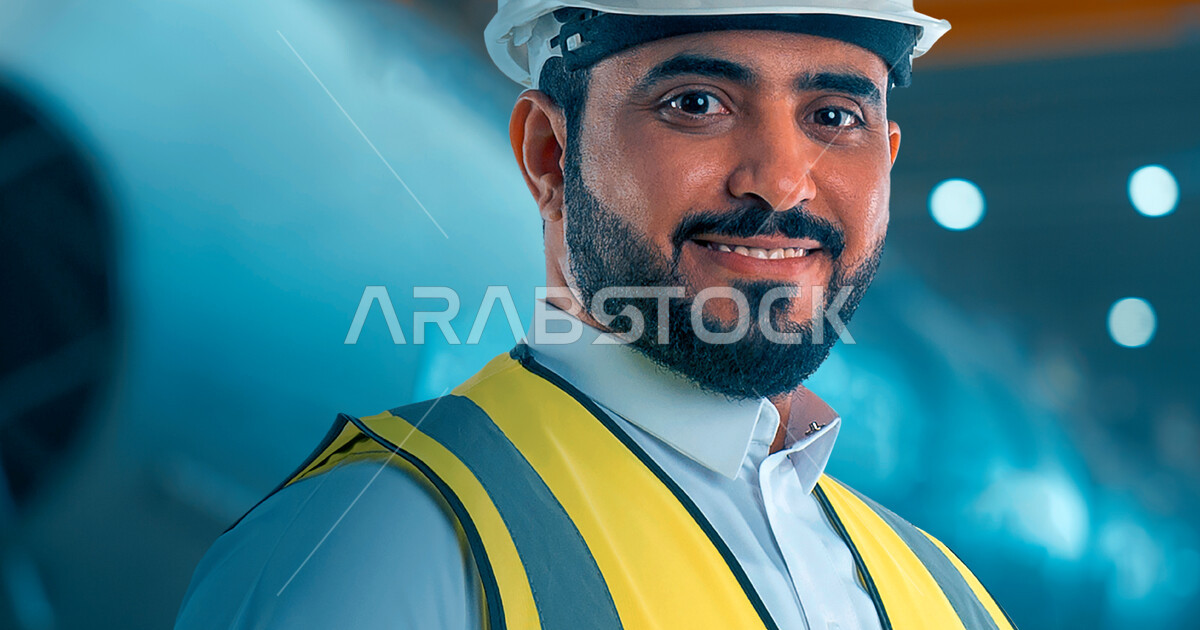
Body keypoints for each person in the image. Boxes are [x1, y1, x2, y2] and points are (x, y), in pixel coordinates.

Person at [176, 1, 1017, 628]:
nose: (783, 180)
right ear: (549, 156)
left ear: (888, 161)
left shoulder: (947, 599)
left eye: (834, 118)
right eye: (697, 104)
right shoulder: (384, 549)